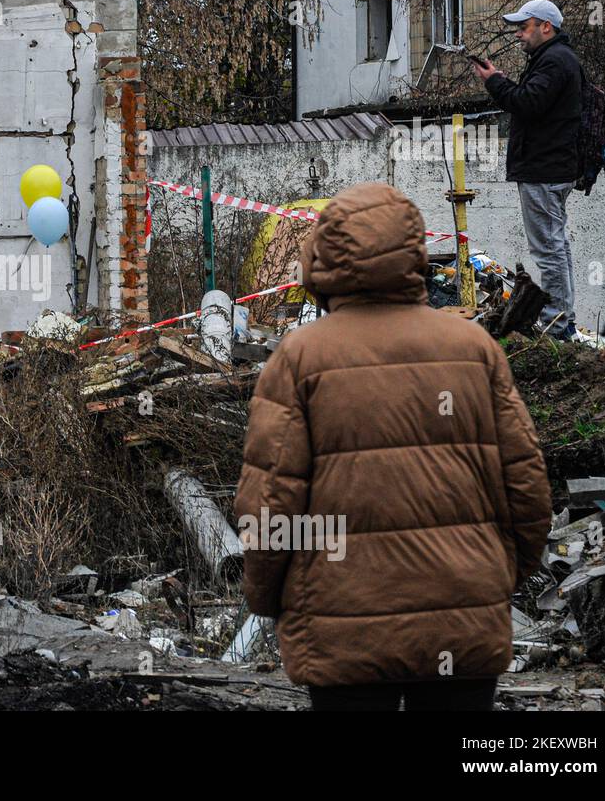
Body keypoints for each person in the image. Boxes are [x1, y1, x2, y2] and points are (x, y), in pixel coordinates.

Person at [234, 182, 551, 711]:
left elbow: (270, 502)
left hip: (344, 631)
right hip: (462, 622)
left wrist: (268, 596)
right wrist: (499, 576)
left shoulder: (300, 357)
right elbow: (527, 485)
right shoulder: (474, 348)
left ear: (323, 259)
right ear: (414, 254)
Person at [472, 0, 583, 338]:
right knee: (555, 247)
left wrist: (494, 83)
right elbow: (532, 100)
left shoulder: (553, 62)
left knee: (549, 250)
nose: (519, 34)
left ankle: (557, 324)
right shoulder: (553, 59)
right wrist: (506, 84)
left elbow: (528, 104)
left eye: (524, 26)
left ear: (545, 27)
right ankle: (561, 319)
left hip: (544, 170)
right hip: (551, 168)